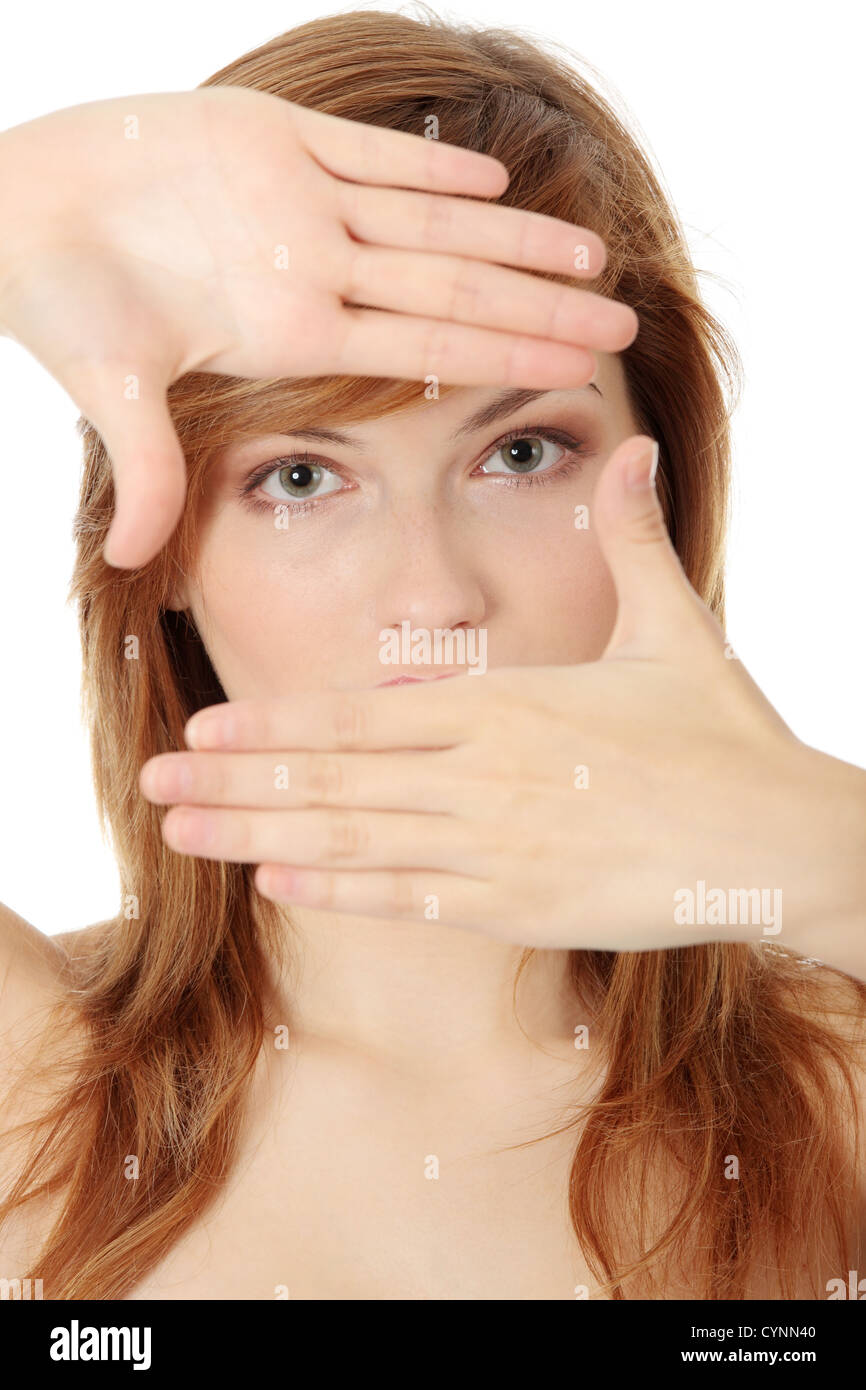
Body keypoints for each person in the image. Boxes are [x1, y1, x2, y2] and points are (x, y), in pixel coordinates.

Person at [0, 5, 864, 1301]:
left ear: (670, 492)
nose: (429, 594)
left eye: (519, 455)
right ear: (160, 543)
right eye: (300, 474)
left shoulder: (836, 1091)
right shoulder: (28, 1067)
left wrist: (829, 854)